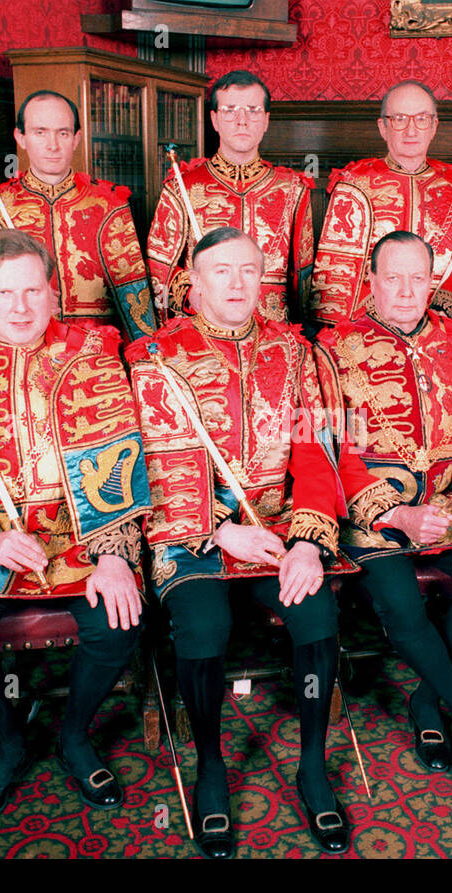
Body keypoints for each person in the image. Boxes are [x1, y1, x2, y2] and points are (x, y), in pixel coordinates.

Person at [0, 229, 151, 825]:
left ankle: (73, 734)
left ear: (54, 292)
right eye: (4, 292)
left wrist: (115, 554)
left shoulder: (93, 357)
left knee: (120, 622)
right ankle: (10, 736)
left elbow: (125, 459)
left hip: (81, 534)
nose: (20, 307)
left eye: (33, 291)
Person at [127, 227, 352, 858]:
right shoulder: (155, 356)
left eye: (248, 271)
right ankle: (211, 764)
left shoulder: (295, 351)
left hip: (279, 526)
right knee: (203, 626)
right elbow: (149, 465)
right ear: (192, 285)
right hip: (190, 529)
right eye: (220, 272)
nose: (235, 284)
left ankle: (312, 765)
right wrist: (220, 530)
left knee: (317, 612)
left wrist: (308, 542)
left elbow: (315, 451)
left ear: (265, 281)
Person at [314, 230, 452, 791]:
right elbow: (334, 450)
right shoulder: (333, 348)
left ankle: (428, 701)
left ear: (433, 282)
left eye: (417, 278)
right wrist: (397, 515)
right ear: (370, 281)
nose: (405, 290)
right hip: (371, 517)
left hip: (451, 507)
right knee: (401, 602)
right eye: (392, 277)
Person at [0, 90, 154, 340]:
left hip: (97, 354)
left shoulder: (109, 206)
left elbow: (134, 296)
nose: (52, 145)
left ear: (76, 139)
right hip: (22, 352)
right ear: (20, 137)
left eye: (62, 133)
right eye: (40, 132)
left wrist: (146, 358)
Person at [146, 71, 315, 327]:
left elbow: (303, 276)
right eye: (229, 110)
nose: (242, 121)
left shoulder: (292, 188)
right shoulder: (184, 186)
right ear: (214, 119)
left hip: (271, 330)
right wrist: (190, 295)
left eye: (253, 110)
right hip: (203, 325)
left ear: (266, 119)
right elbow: (159, 266)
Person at [311, 80, 452, 327]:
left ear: (434, 126)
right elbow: (337, 276)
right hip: (368, 328)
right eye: (399, 119)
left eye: (421, 119)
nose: (411, 130)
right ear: (383, 127)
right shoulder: (354, 185)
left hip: (441, 325)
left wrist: (437, 314)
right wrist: (390, 318)